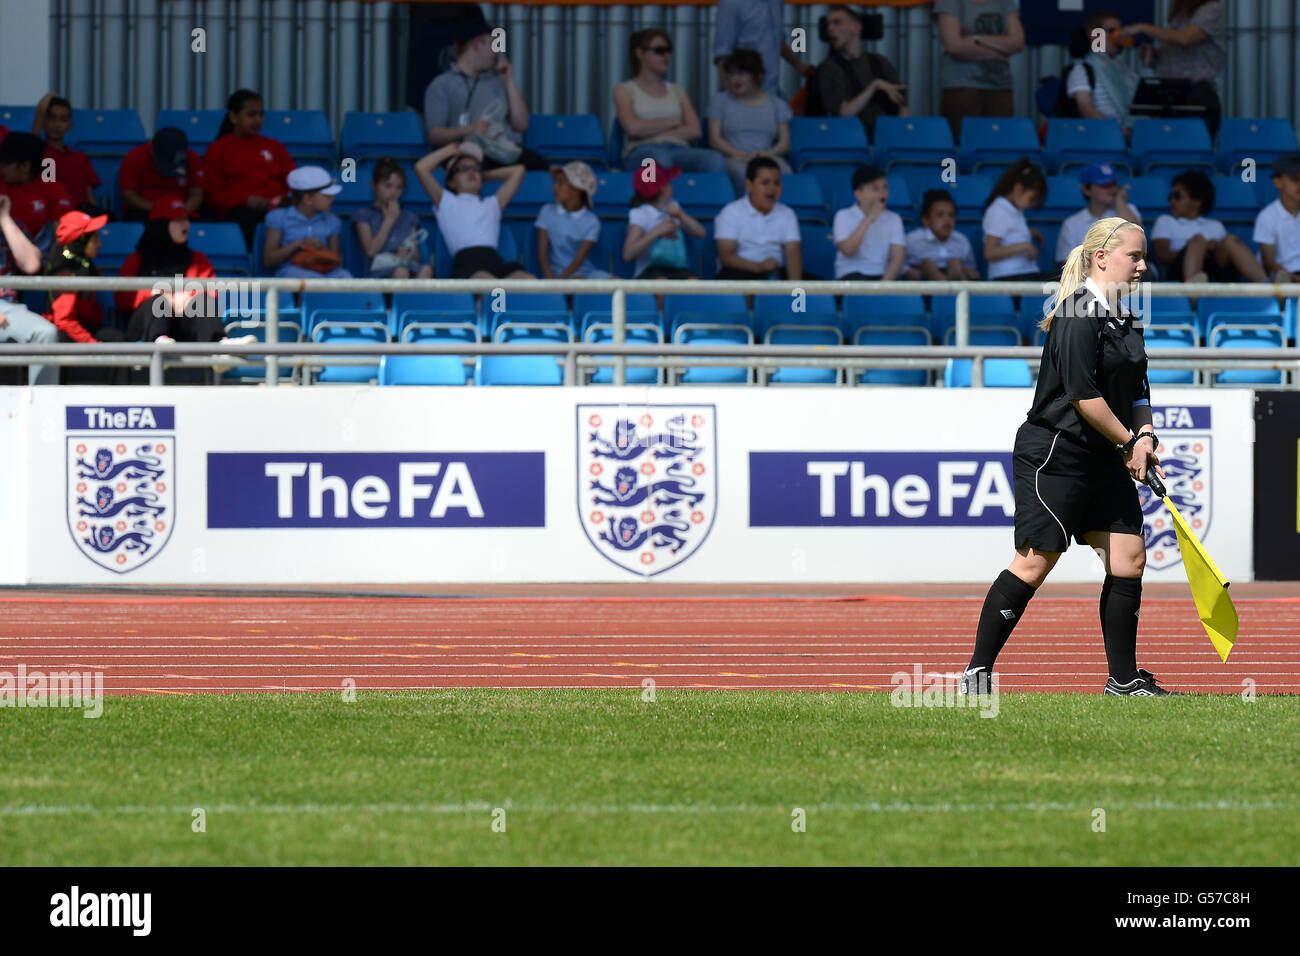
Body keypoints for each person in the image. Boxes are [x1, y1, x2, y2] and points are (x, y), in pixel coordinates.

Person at [959, 216, 1181, 697]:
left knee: (1128, 557)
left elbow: (1136, 388)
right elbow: (1084, 397)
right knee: (1036, 563)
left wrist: (1145, 436)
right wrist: (1128, 444)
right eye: (1135, 256)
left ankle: (1123, 680)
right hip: (1055, 454)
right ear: (1102, 258)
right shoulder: (1079, 311)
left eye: (1144, 257)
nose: (1143, 266)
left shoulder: (1127, 315)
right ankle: (978, 672)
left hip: (1105, 454)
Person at [118, 197, 255, 352]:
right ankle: (160, 345)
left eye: (186, 219)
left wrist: (185, 297)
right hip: (146, 326)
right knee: (159, 301)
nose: (186, 224)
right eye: (178, 220)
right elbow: (123, 299)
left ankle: (219, 347)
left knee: (202, 300)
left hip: (183, 321)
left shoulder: (199, 259)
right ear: (161, 225)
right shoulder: (137, 259)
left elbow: (211, 291)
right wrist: (154, 294)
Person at [423, 14, 546, 171]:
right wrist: (471, 129)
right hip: (466, 151)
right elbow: (434, 135)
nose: (497, 54)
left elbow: (521, 124)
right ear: (476, 44)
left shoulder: (498, 82)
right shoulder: (442, 84)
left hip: (503, 150)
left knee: (539, 166)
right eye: (493, 46)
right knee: (473, 167)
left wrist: (509, 81)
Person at [615, 29, 727, 175]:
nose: (666, 56)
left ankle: (704, 198)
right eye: (659, 50)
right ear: (640, 53)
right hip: (641, 152)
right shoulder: (624, 89)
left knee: (714, 159)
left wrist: (649, 129)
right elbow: (632, 129)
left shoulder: (677, 90)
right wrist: (672, 122)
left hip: (679, 150)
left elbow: (695, 131)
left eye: (668, 50)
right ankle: (659, 198)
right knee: (658, 159)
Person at [415, 141, 532, 279]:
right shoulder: (446, 202)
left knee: (528, 281)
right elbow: (421, 167)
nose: (471, 172)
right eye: (463, 169)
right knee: (489, 283)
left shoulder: (492, 204)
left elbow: (518, 171)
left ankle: (497, 300)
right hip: (467, 263)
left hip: (494, 260)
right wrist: (452, 149)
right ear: (451, 182)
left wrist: (483, 176)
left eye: (475, 169)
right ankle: (488, 301)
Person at [43, 210, 128, 384]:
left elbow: (87, 313)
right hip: (64, 333)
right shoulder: (67, 271)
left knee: (116, 338)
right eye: (95, 239)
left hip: (80, 326)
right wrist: (93, 346)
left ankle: (123, 399)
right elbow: (64, 321)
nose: (100, 245)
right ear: (80, 242)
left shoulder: (83, 264)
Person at [1119, 0, 1226, 139]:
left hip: (1195, 92)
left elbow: (1185, 39)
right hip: (1170, 92)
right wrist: (1156, 54)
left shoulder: (1211, 9)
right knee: (1166, 145)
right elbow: (1179, 51)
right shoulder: (1180, 14)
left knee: (1193, 146)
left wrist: (1143, 27)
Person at [202, 89, 295, 246]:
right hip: (240, 214)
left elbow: (293, 180)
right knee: (245, 217)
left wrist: (283, 199)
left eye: (261, 114)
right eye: (251, 115)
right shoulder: (218, 150)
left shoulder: (274, 146)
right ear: (233, 117)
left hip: (276, 210)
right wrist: (245, 200)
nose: (258, 120)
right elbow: (212, 195)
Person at [1150, 170, 1265, 284]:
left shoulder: (1216, 226)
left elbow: (1223, 257)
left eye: (1177, 196)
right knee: (1198, 241)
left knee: (1230, 240)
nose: (1171, 200)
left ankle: (1266, 285)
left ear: (1197, 201)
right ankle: (1192, 288)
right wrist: (1198, 246)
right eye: (1171, 196)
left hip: (1213, 272)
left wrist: (1211, 248)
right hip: (1178, 273)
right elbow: (1161, 255)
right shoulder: (1165, 221)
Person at [810, 6, 907, 137]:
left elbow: (903, 105)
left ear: (856, 28)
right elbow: (845, 114)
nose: (830, 29)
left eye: (837, 22)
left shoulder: (879, 62)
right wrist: (874, 86)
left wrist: (899, 132)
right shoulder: (829, 68)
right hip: (849, 138)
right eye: (828, 24)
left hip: (887, 135)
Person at [933, 0, 1024, 140]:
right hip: (961, 87)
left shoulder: (1005, 2)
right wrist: (999, 52)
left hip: (1001, 87)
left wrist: (976, 39)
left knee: (999, 145)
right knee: (961, 144)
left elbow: (1018, 42)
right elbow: (953, 46)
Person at [707, 49, 793, 193]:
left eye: (742, 73)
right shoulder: (720, 101)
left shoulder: (777, 104)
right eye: (732, 73)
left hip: (767, 157)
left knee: (786, 173)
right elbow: (714, 140)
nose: (736, 79)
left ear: (757, 76)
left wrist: (769, 153)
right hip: (734, 158)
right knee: (745, 176)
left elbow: (785, 143)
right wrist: (740, 154)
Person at [0, 193, 59, 385]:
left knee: (45, 333)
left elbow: (32, 265)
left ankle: (43, 408)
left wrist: (4, 217)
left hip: (8, 309)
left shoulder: (12, 227)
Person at [714, 156, 804, 280]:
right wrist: (758, 267)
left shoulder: (787, 213)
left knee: (820, 290)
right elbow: (726, 256)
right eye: (765, 183)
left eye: (776, 183)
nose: (772, 189)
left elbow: (793, 253)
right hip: (741, 272)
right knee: (743, 283)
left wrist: (795, 289)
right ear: (749, 185)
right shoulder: (731, 212)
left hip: (777, 272)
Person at [263, 166, 352, 279]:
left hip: (325, 271)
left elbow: (336, 260)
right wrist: (296, 245)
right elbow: (269, 260)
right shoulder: (278, 217)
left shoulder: (332, 221)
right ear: (307, 199)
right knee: (312, 280)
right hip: (291, 271)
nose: (332, 199)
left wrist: (322, 248)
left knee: (345, 276)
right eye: (327, 196)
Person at [352, 159, 432, 280]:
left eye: (398, 187)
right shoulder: (363, 215)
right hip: (379, 272)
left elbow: (416, 256)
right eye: (388, 186)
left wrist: (406, 254)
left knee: (427, 270)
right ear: (374, 185)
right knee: (401, 272)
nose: (393, 192)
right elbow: (371, 251)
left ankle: (415, 299)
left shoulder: (409, 217)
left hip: (406, 266)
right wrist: (390, 219)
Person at [712, 0, 812, 97]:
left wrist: (801, 68)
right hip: (744, 97)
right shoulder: (731, 3)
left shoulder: (776, 2)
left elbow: (777, 41)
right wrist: (731, 101)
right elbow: (723, 55)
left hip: (772, 92)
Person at [623, 164, 706, 280]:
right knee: (661, 283)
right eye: (669, 183)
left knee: (694, 282)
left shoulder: (673, 206)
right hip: (648, 272)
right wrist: (655, 232)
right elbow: (628, 254)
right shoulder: (640, 214)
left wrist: (681, 216)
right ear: (663, 188)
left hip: (677, 269)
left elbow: (700, 233)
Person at [1064, 10, 1139, 138]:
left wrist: (1149, 64)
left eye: (1120, 31)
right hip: (1103, 138)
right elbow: (1086, 109)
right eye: (1111, 31)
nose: (1118, 36)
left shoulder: (1127, 72)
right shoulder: (1082, 70)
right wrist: (1117, 132)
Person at [1055, 163, 1142, 268]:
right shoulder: (1072, 223)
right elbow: (1066, 264)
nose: (1112, 190)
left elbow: (1138, 243)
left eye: (1114, 184)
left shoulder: (1127, 210)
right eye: (1104, 185)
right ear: (1086, 189)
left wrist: (1120, 201)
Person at [535, 162, 608, 280]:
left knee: (617, 283)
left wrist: (563, 279)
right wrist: (551, 279)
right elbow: (542, 252)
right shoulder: (546, 211)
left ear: (577, 189)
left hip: (584, 274)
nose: (554, 187)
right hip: (552, 274)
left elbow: (579, 259)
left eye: (560, 183)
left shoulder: (592, 221)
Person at [31, 93, 101, 212]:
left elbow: (90, 198)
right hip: (51, 218)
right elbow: (32, 141)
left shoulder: (80, 158)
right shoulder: (39, 154)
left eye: (62, 119)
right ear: (43, 122)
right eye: (51, 117)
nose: (56, 124)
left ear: (69, 126)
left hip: (80, 219)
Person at [833, 164, 904, 280]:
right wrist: (869, 218)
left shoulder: (894, 218)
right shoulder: (843, 215)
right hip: (851, 274)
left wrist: (882, 287)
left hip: (882, 276)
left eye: (885, 187)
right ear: (858, 194)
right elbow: (848, 250)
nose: (882, 193)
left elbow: (897, 258)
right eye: (875, 188)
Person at [119, 126, 204, 222]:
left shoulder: (191, 158)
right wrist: (159, 209)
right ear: (152, 150)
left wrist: (183, 210)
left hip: (182, 211)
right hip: (145, 211)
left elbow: (197, 194)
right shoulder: (134, 157)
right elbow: (129, 195)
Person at [0, 131, 74, 239]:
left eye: (5, 163)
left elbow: (62, 235)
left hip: (42, 254)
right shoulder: (2, 184)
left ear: (25, 166)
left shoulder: (53, 189)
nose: (1, 168)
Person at [982, 158, 1046, 281]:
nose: (1032, 204)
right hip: (1009, 278)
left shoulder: (1014, 210)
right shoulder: (999, 210)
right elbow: (989, 252)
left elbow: (1007, 231)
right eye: (1032, 198)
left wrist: (1030, 231)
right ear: (1018, 189)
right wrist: (1025, 246)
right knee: (1073, 286)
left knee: (1077, 285)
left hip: (1024, 275)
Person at [904, 190, 979, 281]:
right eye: (940, 215)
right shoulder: (912, 240)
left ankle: (951, 292)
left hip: (957, 281)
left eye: (951, 215)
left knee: (955, 263)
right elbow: (900, 265)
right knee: (928, 264)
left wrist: (967, 271)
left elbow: (971, 268)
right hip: (925, 287)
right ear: (926, 220)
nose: (947, 220)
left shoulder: (962, 240)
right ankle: (945, 292)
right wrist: (910, 271)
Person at [1252, 153, 1300, 286]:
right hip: (1283, 277)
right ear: (1277, 182)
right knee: (1280, 278)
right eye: (1295, 179)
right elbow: (1269, 263)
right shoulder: (1267, 216)